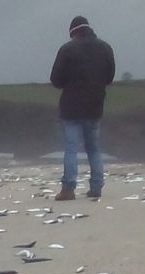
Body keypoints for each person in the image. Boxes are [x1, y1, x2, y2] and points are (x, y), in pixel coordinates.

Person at [50, 15, 115, 201]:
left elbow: (56, 79)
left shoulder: (67, 49)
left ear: (73, 32)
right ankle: (96, 186)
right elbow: (109, 77)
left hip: (71, 106)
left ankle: (68, 188)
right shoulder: (105, 48)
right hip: (95, 105)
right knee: (94, 147)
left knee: (71, 148)